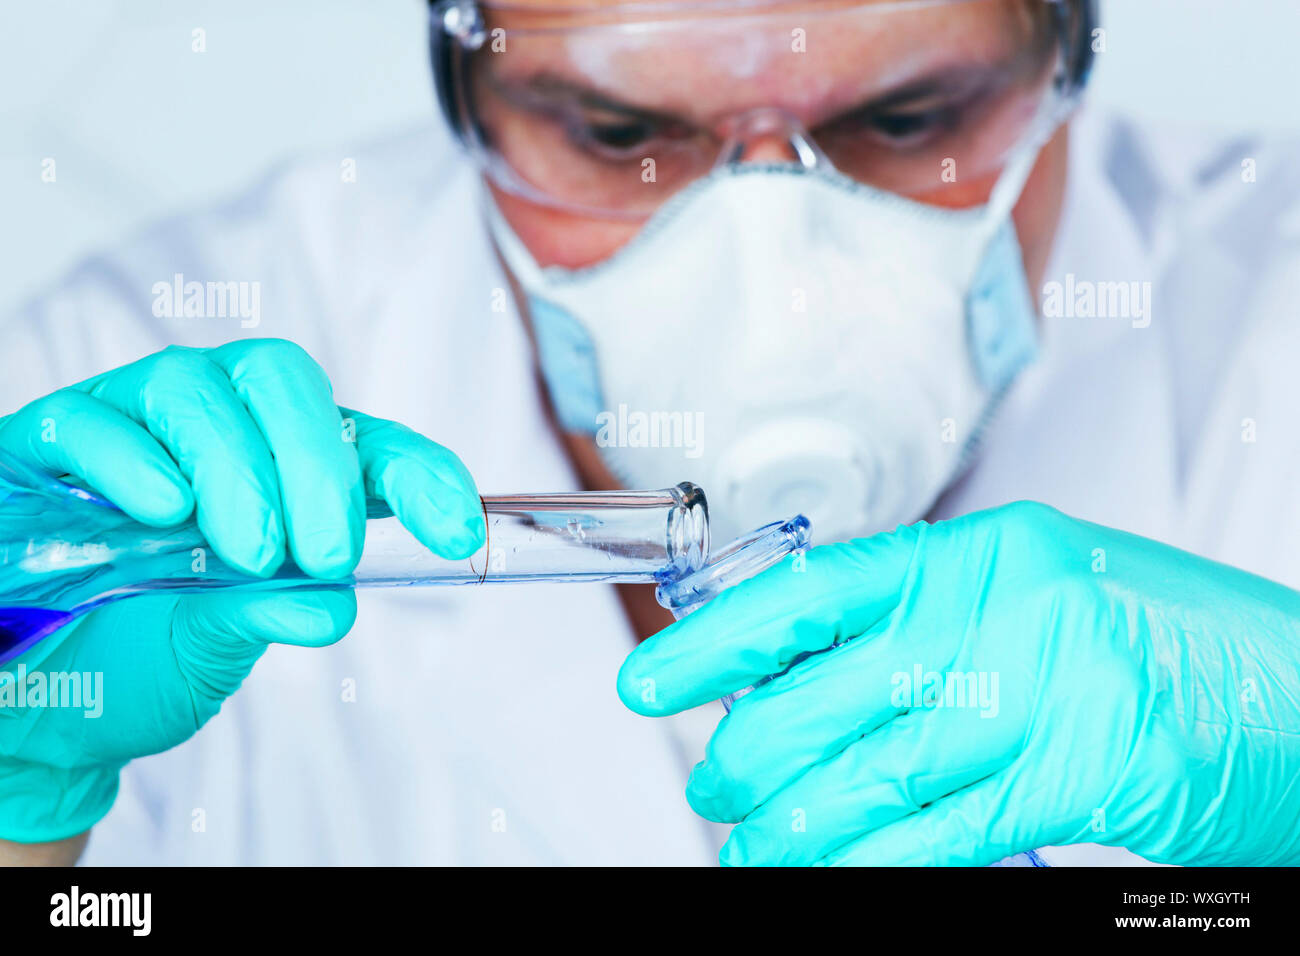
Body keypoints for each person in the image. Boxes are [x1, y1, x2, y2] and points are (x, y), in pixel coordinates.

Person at [2, 0, 1299, 866]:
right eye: (623, 136)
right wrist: (25, 794)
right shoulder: (122, 420)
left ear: (1066, 55)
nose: (775, 276)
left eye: (906, 122)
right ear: (470, 95)